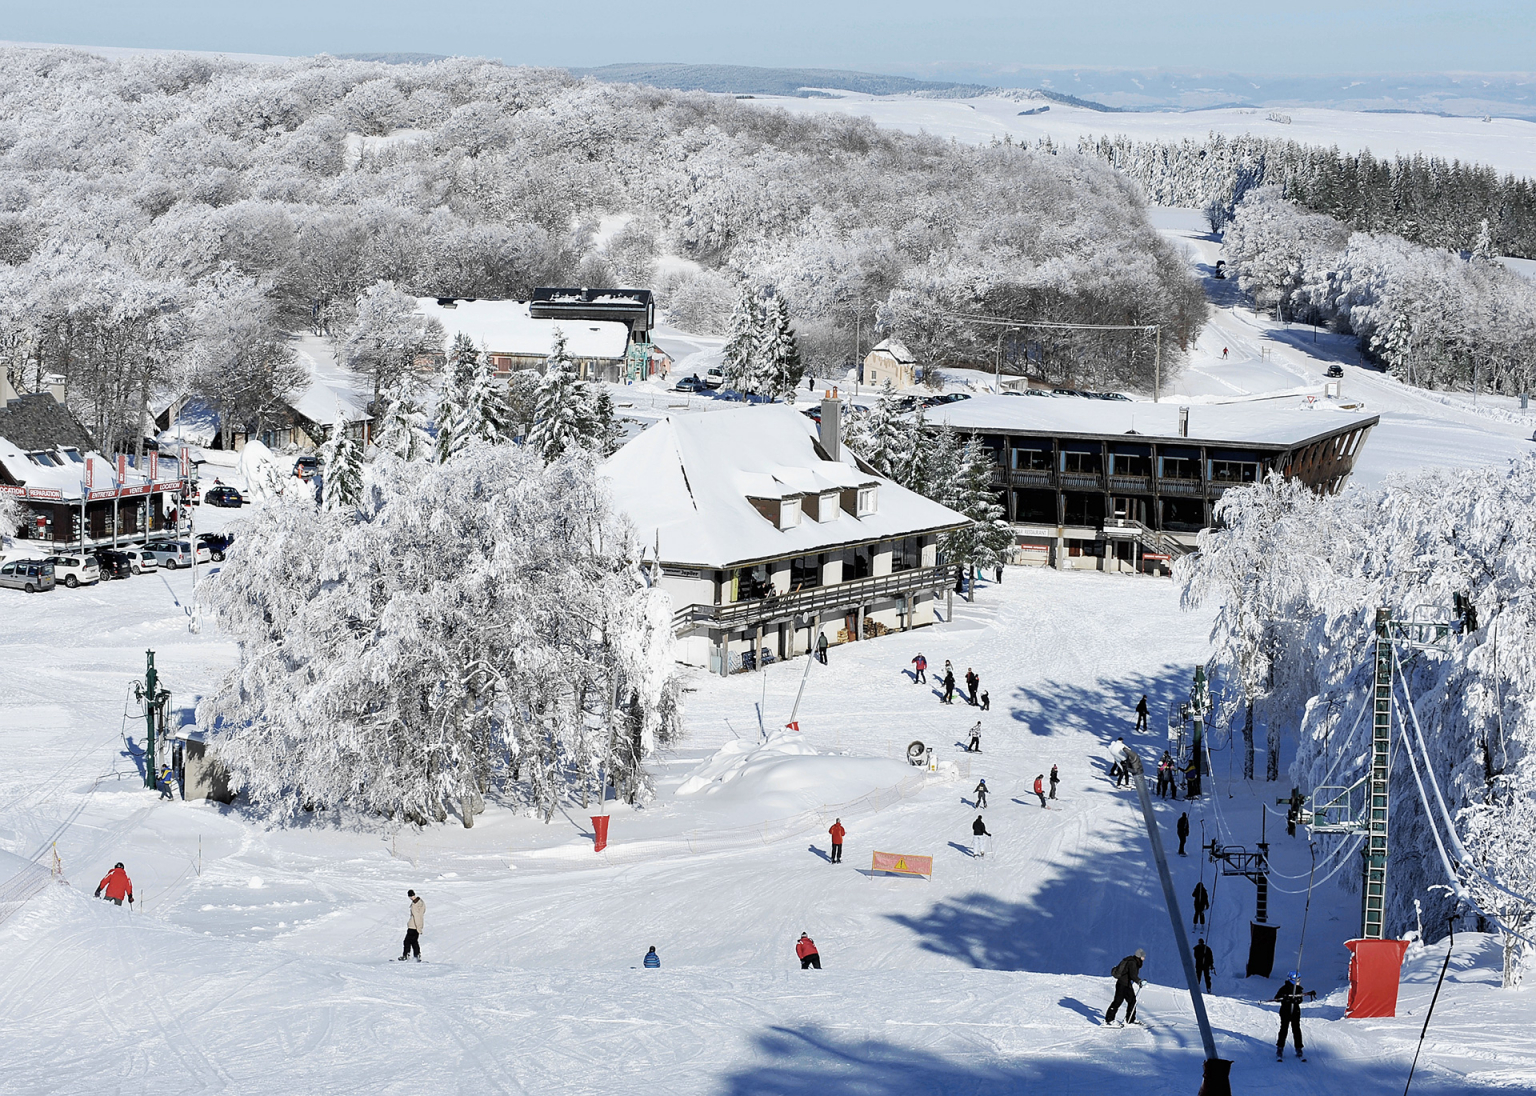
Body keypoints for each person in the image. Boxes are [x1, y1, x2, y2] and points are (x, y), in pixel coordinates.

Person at [1273, 972, 1310, 1060]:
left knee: (1296, 1029)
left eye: (1299, 980)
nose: (1298, 982)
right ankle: (1280, 1048)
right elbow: (1277, 998)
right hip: (1285, 1011)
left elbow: (1300, 999)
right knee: (1284, 1029)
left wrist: (1295, 1000)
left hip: (1295, 1011)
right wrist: (1286, 998)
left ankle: (1299, 1048)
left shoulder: (1298, 989)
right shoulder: (1284, 988)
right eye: (1297, 980)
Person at [1104, 948, 1145, 1025]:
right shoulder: (1132, 962)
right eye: (1143, 956)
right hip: (1122, 984)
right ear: (1139, 956)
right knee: (1118, 1001)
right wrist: (1139, 981)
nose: (1144, 958)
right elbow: (1133, 975)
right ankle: (1109, 1020)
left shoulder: (1133, 961)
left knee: (1132, 1001)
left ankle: (1130, 1019)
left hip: (1126, 984)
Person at [399, 889, 425, 961]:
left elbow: (416, 916)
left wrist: (418, 927)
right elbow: (421, 914)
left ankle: (406, 955)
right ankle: (417, 955)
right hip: (417, 925)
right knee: (414, 941)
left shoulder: (415, 905)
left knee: (407, 941)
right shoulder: (421, 902)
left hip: (413, 926)